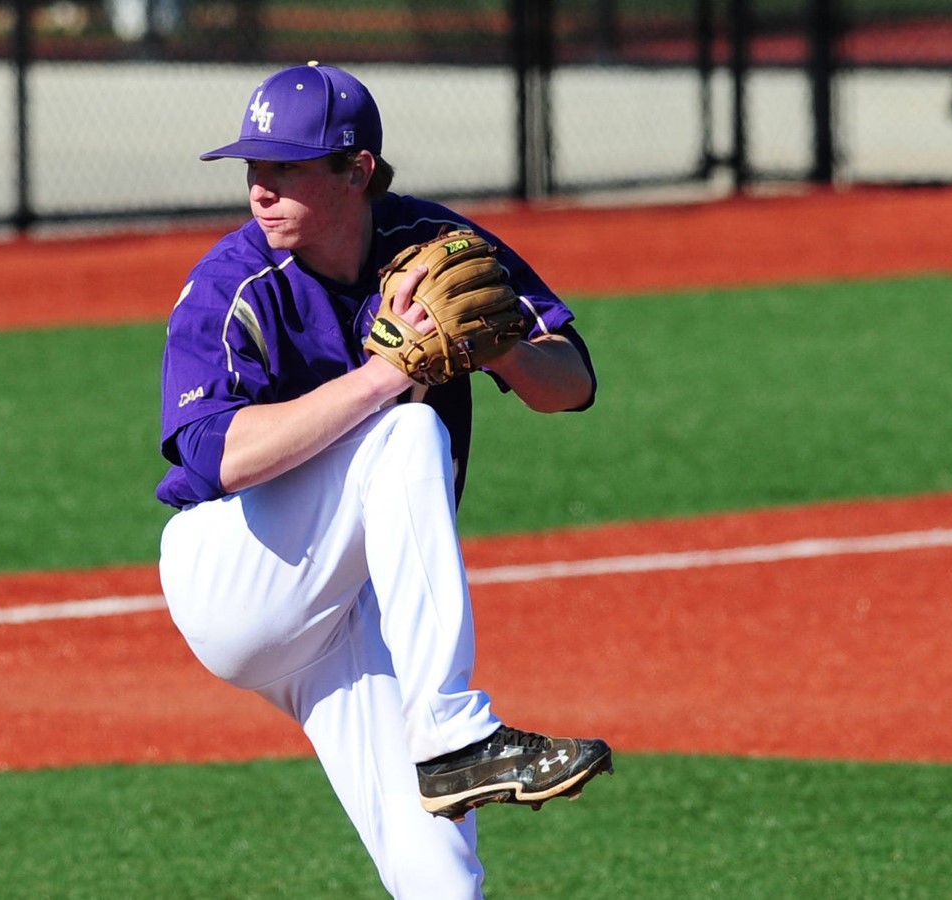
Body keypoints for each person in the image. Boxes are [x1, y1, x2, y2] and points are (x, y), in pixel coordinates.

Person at [154, 62, 613, 898]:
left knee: (440, 866)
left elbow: (571, 384)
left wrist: (503, 346)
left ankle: (446, 748)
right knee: (404, 429)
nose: (260, 189)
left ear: (356, 170)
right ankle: (451, 730)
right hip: (238, 576)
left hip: (349, 613)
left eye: (286, 166)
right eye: (253, 166)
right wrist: (385, 375)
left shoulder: (433, 246)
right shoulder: (232, 283)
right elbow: (217, 455)